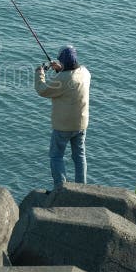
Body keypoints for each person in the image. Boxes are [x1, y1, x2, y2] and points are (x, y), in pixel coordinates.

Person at [34, 45, 91, 187]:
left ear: (63, 61)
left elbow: (43, 90)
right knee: (79, 157)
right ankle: (82, 188)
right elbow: (71, 79)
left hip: (63, 126)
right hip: (81, 124)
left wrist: (39, 73)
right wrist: (60, 69)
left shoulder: (62, 79)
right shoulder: (85, 73)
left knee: (56, 156)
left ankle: (60, 189)